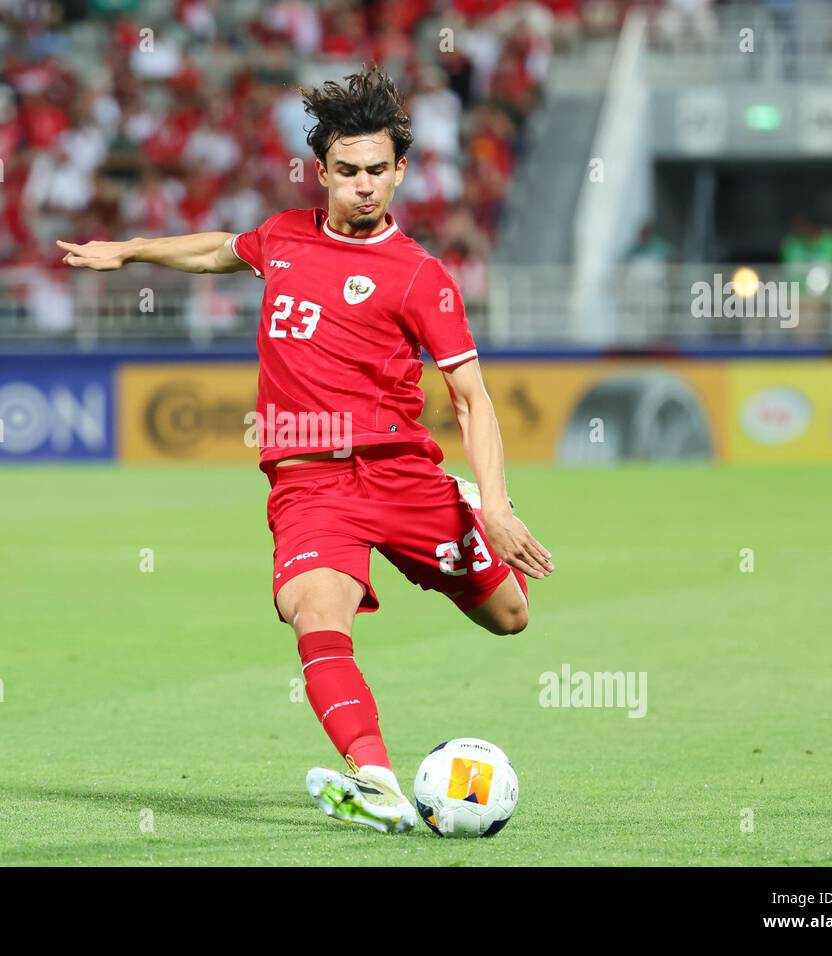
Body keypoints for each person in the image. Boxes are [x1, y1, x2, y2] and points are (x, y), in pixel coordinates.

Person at [56, 65, 554, 835]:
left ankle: (455, 509)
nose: (363, 187)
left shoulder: (422, 275)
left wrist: (494, 505)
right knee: (316, 614)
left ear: (401, 173)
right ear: (322, 171)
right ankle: (377, 779)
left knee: (511, 617)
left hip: (402, 474)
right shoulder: (283, 237)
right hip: (308, 483)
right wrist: (131, 251)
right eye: (347, 172)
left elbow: (471, 397)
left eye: (377, 173)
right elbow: (218, 251)